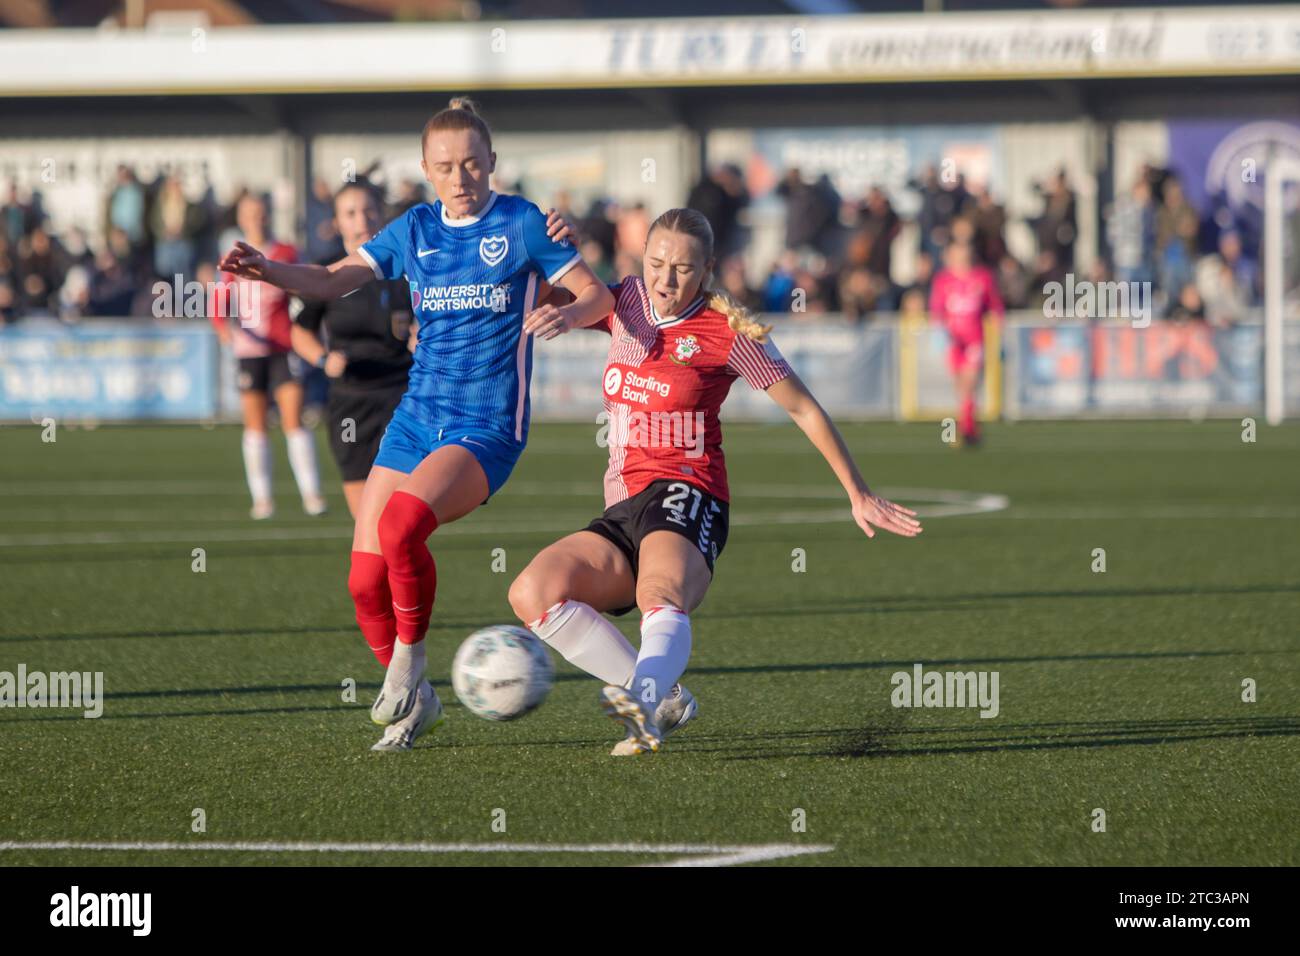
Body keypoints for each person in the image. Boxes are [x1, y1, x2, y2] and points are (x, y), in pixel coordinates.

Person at [219, 97, 614, 752]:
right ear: (427, 170)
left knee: (403, 524)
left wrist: (568, 317)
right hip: (416, 417)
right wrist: (269, 270)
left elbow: (594, 294)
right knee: (362, 581)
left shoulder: (521, 222)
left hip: (485, 425)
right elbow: (328, 279)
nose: (460, 176)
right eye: (445, 166)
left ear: (492, 164)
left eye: (471, 163)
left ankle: (411, 663)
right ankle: (420, 703)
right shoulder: (416, 228)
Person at [507, 208, 921, 756]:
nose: (665, 279)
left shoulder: (726, 331)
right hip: (625, 504)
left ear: (706, 271)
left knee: (659, 593)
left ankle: (643, 704)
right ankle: (664, 697)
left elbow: (803, 408)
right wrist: (543, 245)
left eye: (682, 268)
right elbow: (546, 296)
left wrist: (857, 491)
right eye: (656, 263)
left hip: (689, 490)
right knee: (532, 592)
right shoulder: (623, 301)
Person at [291, 179, 416, 518]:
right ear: (337, 222)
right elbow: (300, 332)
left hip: (401, 396)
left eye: (369, 211)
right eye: (351, 213)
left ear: (382, 216)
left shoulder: (406, 268)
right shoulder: (328, 272)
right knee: (365, 520)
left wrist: (423, 337)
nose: (361, 221)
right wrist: (323, 358)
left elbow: (430, 319)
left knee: (401, 517)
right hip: (350, 401)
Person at [212, 193, 326, 520]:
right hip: (249, 351)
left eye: (261, 213)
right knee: (255, 425)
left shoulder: (286, 252)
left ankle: (312, 495)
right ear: (241, 217)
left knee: (294, 420)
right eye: (249, 214)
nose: (256, 219)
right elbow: (219, 301)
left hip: (283, 346)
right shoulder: (232, 256)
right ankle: (262, 499)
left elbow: (305, 289)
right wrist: (224, 330)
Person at [928, 241, 1004, 447]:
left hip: (974, 340)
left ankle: (967, 429)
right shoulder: (943, 280)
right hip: (953, 340)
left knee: (970, 383)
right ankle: (969, 427)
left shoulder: (982, 276)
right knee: (961, 386)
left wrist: (999, 334)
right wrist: (938, 334)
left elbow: (995, 306)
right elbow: (936, 309)